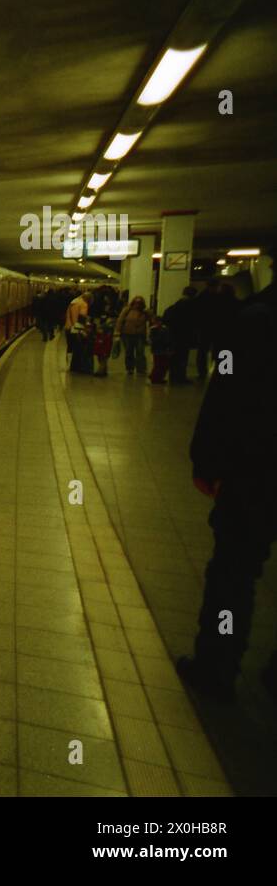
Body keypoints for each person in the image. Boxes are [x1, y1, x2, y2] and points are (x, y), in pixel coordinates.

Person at [177, 273, 277, 702]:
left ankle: (217, 668)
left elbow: (227, 388)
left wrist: (207, 459)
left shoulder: (256, 320)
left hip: (256, 472)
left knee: (233, 575)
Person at [162, 286, 199, 384]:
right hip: (184, 335)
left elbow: (166, 319)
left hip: (174, 335)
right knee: (182, 357)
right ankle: (180, 378)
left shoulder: (176, 305)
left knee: (175, 357)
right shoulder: (191, 306)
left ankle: (173, 377)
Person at [114, 295, 150, 375]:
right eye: (136, 303)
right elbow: (120, 320)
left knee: (140, 352)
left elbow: (151, 320)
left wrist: (148, 312)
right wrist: (117, 332)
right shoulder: (127, 310)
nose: (138, 305)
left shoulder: (145, 312)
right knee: (129, 352)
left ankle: (141, 369)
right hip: (127, 334)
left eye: (140, 303)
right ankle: (129, 368)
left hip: (140, 335)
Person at [148, 317, 172, 384]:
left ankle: (156, 377)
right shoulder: (161, 329)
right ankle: (155, 377)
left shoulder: (158, 329)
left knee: (161, 365)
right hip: (159, 349)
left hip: (159, 349)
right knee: (159, 364)